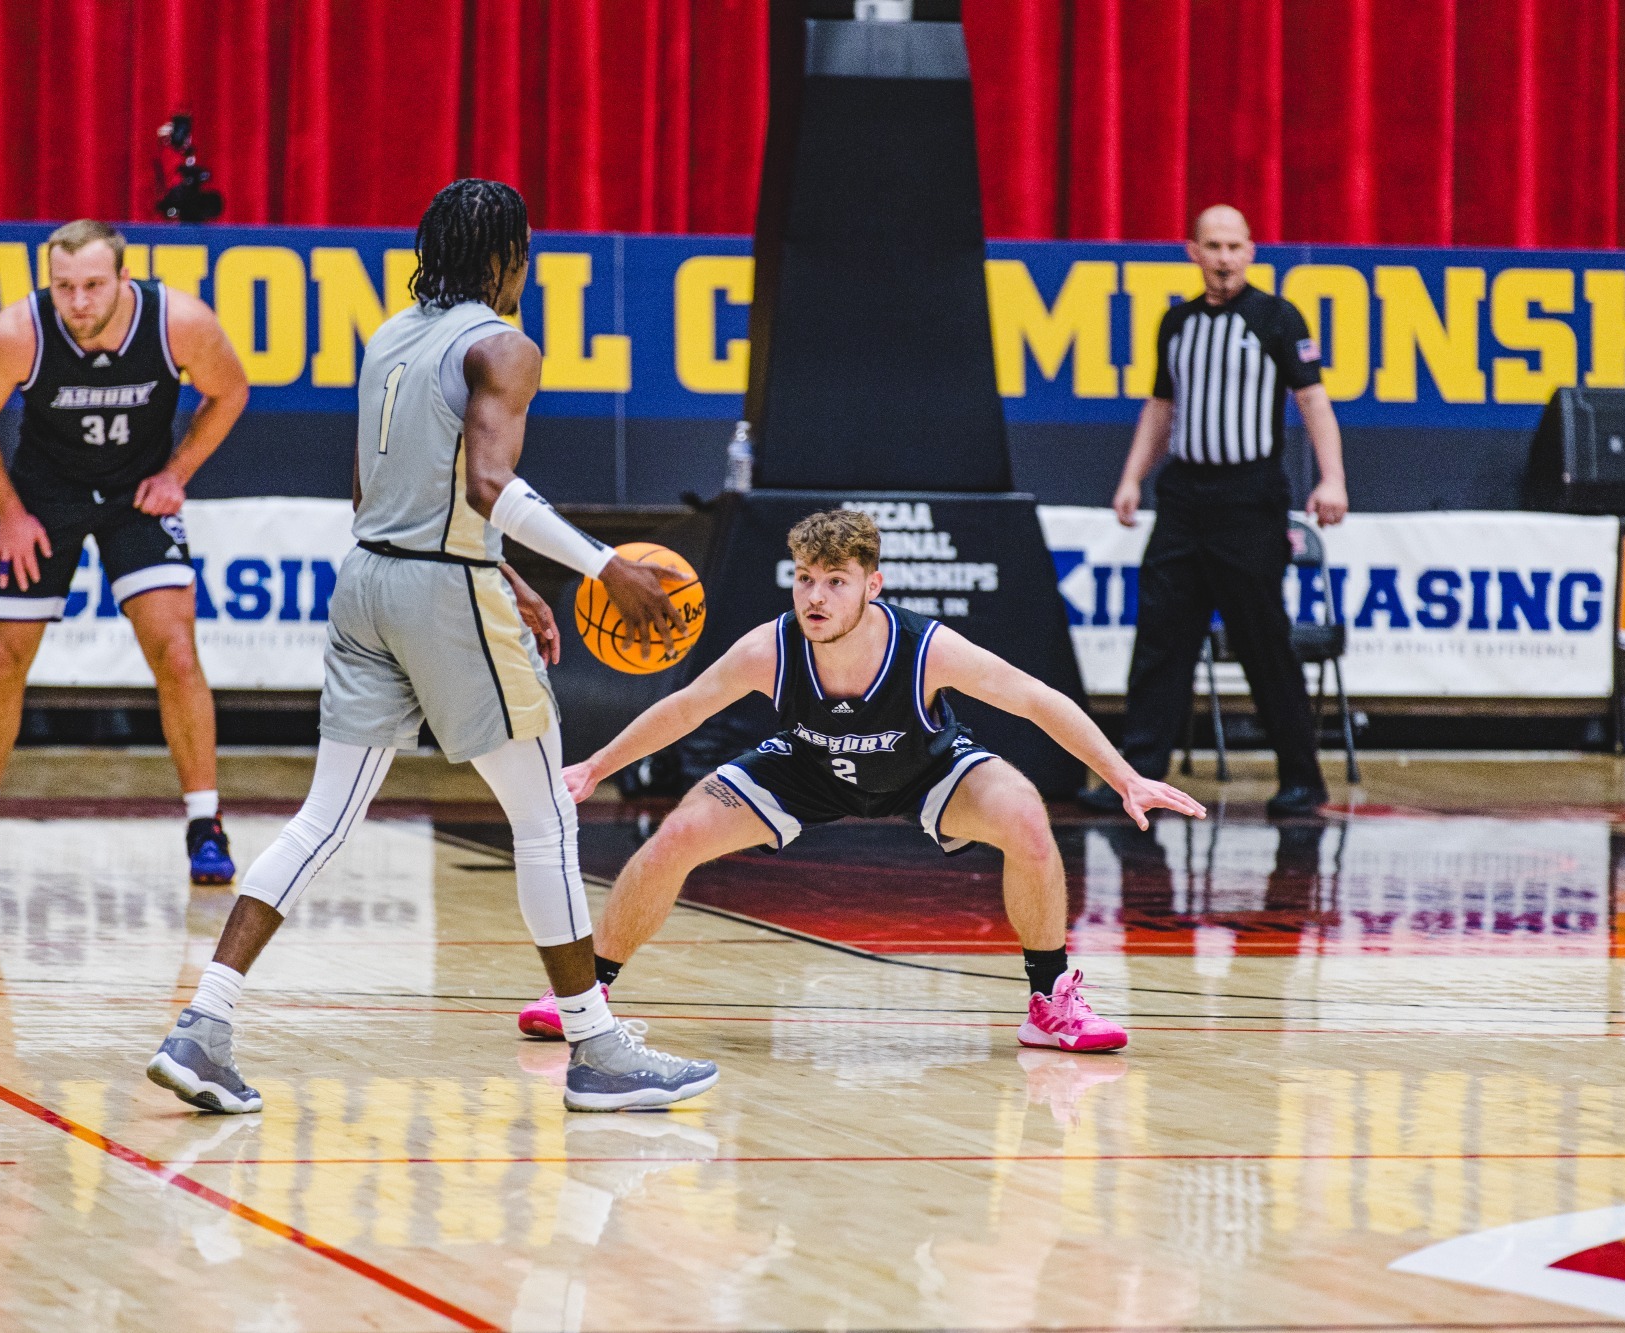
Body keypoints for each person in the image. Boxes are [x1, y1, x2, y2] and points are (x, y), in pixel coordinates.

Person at [146, 179, 718, 1115]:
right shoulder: (503, 345)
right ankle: (597, 1047)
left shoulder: (391, 336)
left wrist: (510, 578)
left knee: (322, 820)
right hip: (441, 592)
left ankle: (202, 1026)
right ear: (504, 257)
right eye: (524, 252)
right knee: (547, 821)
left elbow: (383, 486)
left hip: (367, 578)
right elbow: (491, 483)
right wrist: (598, 564)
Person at [517, 508, 1208, 1051]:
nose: (815, 597)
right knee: (677, 835)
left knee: (1025, 813)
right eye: (805, 578)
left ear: (871, 585)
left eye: (835, 581)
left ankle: (1050, 999)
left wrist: (1123, 775)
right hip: (806, 767)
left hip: (922, 768)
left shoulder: (926, 648)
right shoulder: (771, 647)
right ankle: (586, 995)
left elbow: (1036, 699)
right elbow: (684, 707)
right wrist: (595, 765)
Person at [0, 220, 250, 881]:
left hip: (134, 493)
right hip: (45, 495)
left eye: (91, 286)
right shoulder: (17, 333)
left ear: (122, 278)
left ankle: (206, 824)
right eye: (63, 287)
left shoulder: (179, 322)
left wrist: (177, 474)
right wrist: (12, 514)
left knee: (176, 646)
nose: (77, 301)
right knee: (3, 653)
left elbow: (230, 392)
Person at [1093, 204, 1348, 822]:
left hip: (1249, 499)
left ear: (1252, 251)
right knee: (1160, 641)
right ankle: (1138, 777)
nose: (1225, 257)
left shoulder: (1276, 318)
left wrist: (1333, 478)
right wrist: (1133, 477)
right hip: (1183, 501)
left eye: (1235, 245)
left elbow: (1313, 402)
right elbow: (1160, 408)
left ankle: (1301, 778)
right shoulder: (1175, 323)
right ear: (1193, 251)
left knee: (1265, 642)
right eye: (1213, 245)